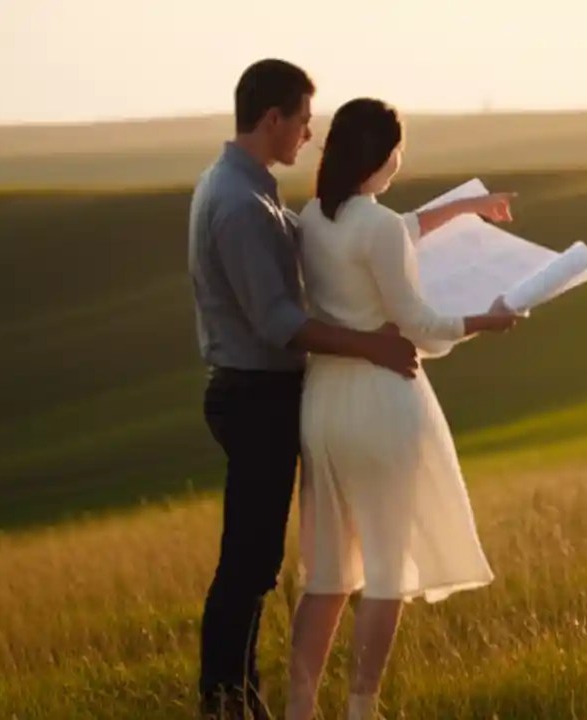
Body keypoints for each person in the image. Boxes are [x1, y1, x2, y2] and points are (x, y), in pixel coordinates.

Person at [187, 59, 423, 719]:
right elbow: (280, 323)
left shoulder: (242, 187)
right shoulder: (241, 204)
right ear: (273, 119)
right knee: (249, 562)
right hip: (255, 395)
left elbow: (340, 239)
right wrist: (373, 345)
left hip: (253, 392)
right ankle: (224, 701)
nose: (309, 135)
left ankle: (241, 699)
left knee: (255, 558)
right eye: (303, 120)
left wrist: (446, 213)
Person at [285, 98, 520, 720]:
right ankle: (361, 709)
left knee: (327, 572)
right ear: (385, 155)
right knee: (387, 569)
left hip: (323, 403)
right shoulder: (378, 226)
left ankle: (299, 707)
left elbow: (401, 229)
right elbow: (418, 323)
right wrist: (486, 320)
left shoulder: (314, 218)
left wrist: (465, 207)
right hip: (381, 403)